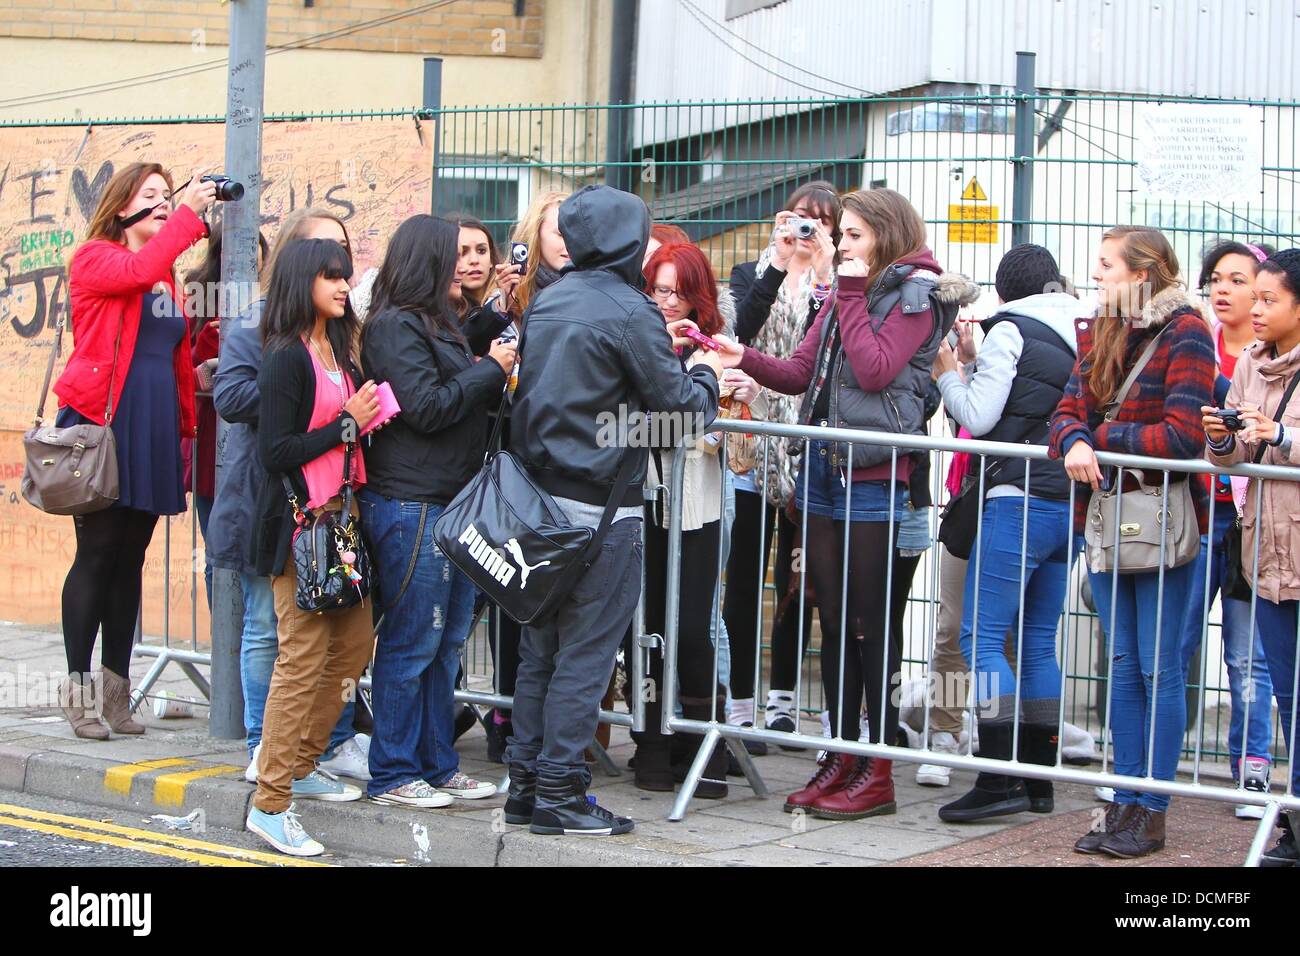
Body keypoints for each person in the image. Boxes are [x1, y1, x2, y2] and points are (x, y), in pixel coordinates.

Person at [717, 188, 976, 820]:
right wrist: (739, 355)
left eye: (854, 235)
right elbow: (802, 370)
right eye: (845, 235)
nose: (842, 244)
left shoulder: (918, 293)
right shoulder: (844, 294)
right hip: (825, 473)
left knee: (868, 623)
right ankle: (840, 755)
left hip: (876, 478)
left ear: (884, 236)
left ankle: (877, 765)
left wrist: (852, 293)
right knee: (832, 618)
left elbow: (875, 368)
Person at [503, 185, 722, 836]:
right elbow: (680, 409)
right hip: (602, 509)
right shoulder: (630, 311)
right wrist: (706, 375)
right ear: (629, 239)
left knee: (540, 653)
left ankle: (524, 786)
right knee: (587, 654)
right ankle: (562, 793)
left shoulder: (550, 300)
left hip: (539, 504)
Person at [1050, 226, 1215, 860]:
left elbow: (1181, 436)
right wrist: (1075, 441)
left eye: (1106, 266)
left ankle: (1152, 808)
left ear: (1142, 274)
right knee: (1122, 662)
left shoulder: (1187, 331)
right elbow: (1065, 412)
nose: (1096, 278)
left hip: (1167, 521)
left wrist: (1101, 437)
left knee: (1158, 664)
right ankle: (1122, 798)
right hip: (1110, 517)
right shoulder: (1100, 330)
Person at [358, 215, 515, 808]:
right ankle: (394, 772)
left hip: (448, 503)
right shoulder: (395, 327)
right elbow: (425, 407)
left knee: (445, 645)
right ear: (426, 262)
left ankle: (437, 765)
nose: (463, 265)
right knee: (411, 644)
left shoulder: (438, 323)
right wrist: (490, 370)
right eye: (451, 256)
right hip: (411, 504)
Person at [53, 162, 215, 740]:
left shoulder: (167, 277)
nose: (166, 203)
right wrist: (192, 212)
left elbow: (164, 352)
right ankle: (78, 695)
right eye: (152, 196)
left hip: (151, 428)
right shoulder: (99, 258)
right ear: (122, 207)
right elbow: (139, 267)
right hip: (104, 425)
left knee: (130, 560)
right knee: (97, 554)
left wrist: (195, 386)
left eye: (169, 196)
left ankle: (117, 696)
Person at [211, 208, 371, 784]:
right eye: (326, 260)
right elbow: (236, 402)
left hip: (337, 512)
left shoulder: (340, 336)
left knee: (344, 644)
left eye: (344, 260)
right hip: (279, 504)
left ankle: (321, 748)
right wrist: (301, 401)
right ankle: (268, 755)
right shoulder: (268, 333)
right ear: (294, 261)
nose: (341, 278)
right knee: (275, 635)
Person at [931, 244, 1082, 821]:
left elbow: (979, 417)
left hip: (1016, 498)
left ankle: (997, 779)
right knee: (1038, 640)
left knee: (982, 640)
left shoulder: (1011, 330)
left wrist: (950, 373)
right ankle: (1038, 781)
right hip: (1068, 501)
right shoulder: (1090, 329)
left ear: (1003, 293)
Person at [245, 238, 381, 857]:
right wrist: (345, 424)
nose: (342, 286)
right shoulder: (285, 358)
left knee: (353, 647)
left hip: (342, 523)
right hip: (298, 527)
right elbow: (275, 451)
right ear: (303, 281)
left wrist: (364, 421)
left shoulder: (339, 350)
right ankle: (269, 804)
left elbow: (340, 436)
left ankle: (302, 763)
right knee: (300, 660)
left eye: (346, 276)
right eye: (330, 276)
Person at [631, 241, 758, 797]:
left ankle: (702, 750)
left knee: (692, 625)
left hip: (699, 505)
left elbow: (734, 445)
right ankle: (652, 746)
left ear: (698, 295)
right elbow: (631, 425)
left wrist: (743, 399)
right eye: (658, 290)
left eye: (678, 292)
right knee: (647, 625)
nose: (667, 303)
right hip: (641, 503)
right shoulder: (634, 341)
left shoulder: (717, 348)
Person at [723, 182, 840, 744]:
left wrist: (826, 271)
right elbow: (739, 329)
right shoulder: (752, 272)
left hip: (808, 443)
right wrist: (776, 261)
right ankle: (740, 699)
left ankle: (784, 697)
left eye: (820, 222)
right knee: (742, 577)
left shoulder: (840, 285)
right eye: (799, 219)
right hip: (752, 442)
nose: (806, 231)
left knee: (796, 576)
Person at [1205, 247, 1300, 867]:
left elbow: (1277, 441)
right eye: (1252, 296)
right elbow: (1232, 457)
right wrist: (1221, 438)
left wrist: (1283, 435)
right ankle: (1293, 823)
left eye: (1268, 298)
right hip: (1264, 552)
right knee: (1288, 696)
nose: (1255, 309)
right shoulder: (1248, 364)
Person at [1181, 241, 1275, 819]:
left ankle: (1252, 767)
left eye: (1238, 280)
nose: (1223, 289)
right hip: (1193, 515)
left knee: (1247, 655)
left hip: (1249, 525)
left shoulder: (1275, 359)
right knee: (1177, 638)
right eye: (1216, 278)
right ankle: (1151, 768)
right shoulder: (1193, 343)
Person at [183, 221, 268, 609]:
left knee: (257, 557)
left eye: (257, 254)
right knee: (218, 549)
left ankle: (245, 648)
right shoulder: (199, 300)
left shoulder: (272, 305)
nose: (251, 265)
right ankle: (225, 652)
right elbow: (185, 367)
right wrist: (205, 346)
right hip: (209, 444)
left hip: (256, 448)